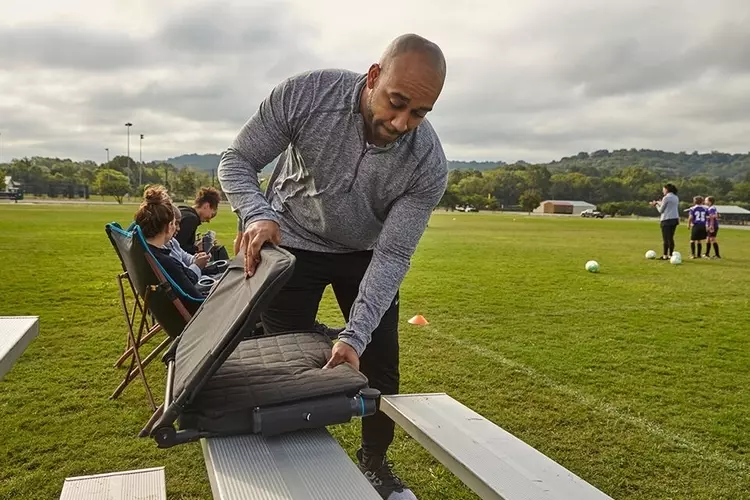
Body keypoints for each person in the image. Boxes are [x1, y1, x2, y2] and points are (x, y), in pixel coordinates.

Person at [218, 33, 448, 500]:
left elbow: (393, 254)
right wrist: (257, 213)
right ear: (374, 77)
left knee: (381, 365)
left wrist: (355, 334)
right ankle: (289, 471)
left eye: (419, 113)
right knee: (284, 363)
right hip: (293, 243)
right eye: (396, 102)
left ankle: (374, 464)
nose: (402, 122)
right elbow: (237, 160)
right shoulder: (307, 94)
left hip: (366, 253)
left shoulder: (427, 162)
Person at [134, 185, 203, 313]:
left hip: (164, 310)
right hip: (192, 314)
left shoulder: (141, 251)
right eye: (174, 223)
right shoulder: (166, 261)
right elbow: (196, 299)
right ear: (168, 226)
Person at [166, 204, 211, 281]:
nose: (178, 228)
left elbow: (184, 255)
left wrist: (196, 258)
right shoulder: (164, 255)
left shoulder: (172, 242)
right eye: (175, 224)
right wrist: (197, 265)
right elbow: (185, 280)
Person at [174, 186, 223, 256]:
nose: (209, 220)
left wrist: (197, 244)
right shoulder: (191, 219)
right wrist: (197, 248)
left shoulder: (183, 210)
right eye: (211, 214)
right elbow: (178, 248)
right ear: (206, 206)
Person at [650, 183, 680, 260]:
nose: (662, 191)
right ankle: (671, 254)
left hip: (666, 220)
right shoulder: (675, 197)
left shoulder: (666, 197)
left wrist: (655, 204)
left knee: (666, 239)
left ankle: (665, 255)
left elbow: (661, 210)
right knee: (671, 238)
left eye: (663, 189)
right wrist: (658, 202)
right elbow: (667, 205)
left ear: (666, 189)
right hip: (674, 219)